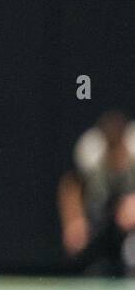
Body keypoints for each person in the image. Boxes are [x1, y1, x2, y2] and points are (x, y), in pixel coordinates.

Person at [58, 111, 135, 277]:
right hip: (102, 211)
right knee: (86, 242)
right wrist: (73, 221)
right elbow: (71, 184)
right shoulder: (91, 152)